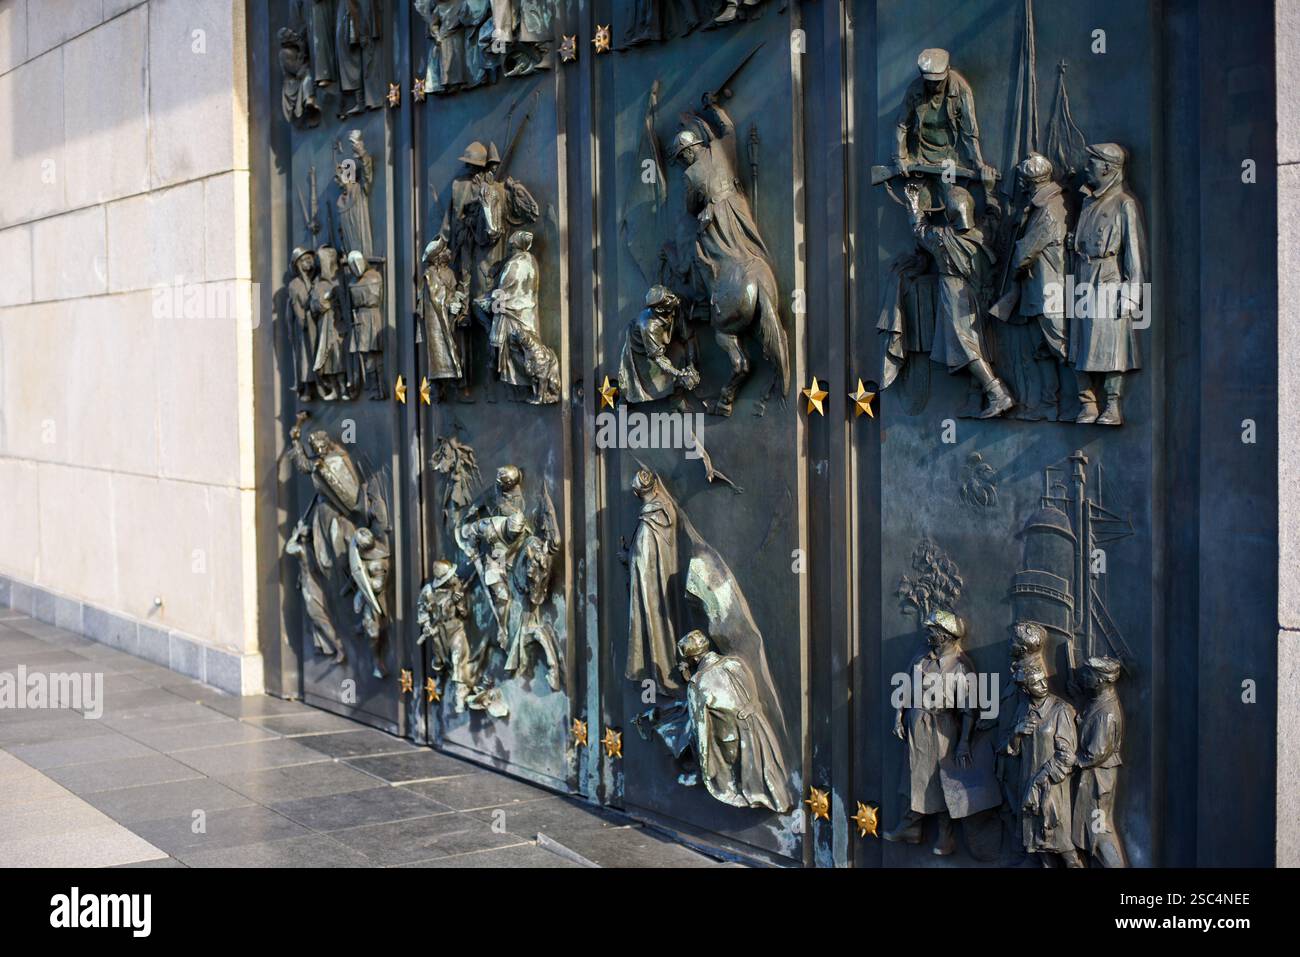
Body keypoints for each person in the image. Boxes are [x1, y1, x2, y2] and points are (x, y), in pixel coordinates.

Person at [883, 609, 1001, 855]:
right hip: (916, 725)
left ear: (946, 636)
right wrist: (898, 718)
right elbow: (904, 687)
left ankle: (945, 837)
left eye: (932, 631)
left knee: (941, 780)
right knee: (912, 776)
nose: (927, 634)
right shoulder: (921, 658)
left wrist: (964, 743)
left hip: (941, 727)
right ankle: (911, 826)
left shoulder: (959, 666)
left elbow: (969, 710)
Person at [906, 183, 1013, 417]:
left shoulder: (942, 238)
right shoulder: (985, 231)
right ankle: (975, 399)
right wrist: (989, 188)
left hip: (955, 294)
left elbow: (919, 228)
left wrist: (914, 203)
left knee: (966, 346)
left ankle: (996, 392)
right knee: (978, 344)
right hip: (980, 294)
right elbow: (995, 213)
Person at [677, 629, 794, 813]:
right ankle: (778, 801)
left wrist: (705, 770)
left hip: (729, 741)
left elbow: (699, 730)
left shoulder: (697, 683)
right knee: (765, 773)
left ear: (692, 659)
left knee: (742, 782)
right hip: (757, 728)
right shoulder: (734, 663)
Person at [1070, 142, 1144, 425]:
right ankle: (1086, 403)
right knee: (1079, 343)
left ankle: (1112, 404)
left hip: (1109, 279)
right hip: (1082, 276)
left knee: (1111, 346)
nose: (1085, 168)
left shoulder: (1124, 204)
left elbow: (1133, 254)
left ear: (1107, 168)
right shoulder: (1088, 202)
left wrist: (1131, 296)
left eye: (1091, 164)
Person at [993, 152, 1069, 420]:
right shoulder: (1041, 205)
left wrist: (1011, 273)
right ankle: (1049, 404)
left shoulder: (1048, 208)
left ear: (1031, 182)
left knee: (1060, 346)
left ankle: (1085, 401)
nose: (1021, 186)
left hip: (1050, 289)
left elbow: (1026, 251)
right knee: (1041, 349)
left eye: (1023, 181)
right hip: (1037, 289)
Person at [1005, 659, 1083, 867]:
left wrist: (1042, 778)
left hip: (1052, 787)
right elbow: (1014, 750)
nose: (1043, 685)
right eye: (1036, 683)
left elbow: (1066, 755)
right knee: (1039, 846)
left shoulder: (1061, 710)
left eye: (1043, 680)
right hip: (1027, 783)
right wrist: (1016, 733)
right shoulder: (1023, 709)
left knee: (1062, 844)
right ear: (1026, 688)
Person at [1073, 656, 1128, 867]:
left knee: (1098, 831)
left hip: (1098, 782)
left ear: (1100, 681)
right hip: (1092, 778)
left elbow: (1096, 753)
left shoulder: (1106, 713)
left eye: (1088, 674)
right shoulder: (1098, 701)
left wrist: (1073, 761)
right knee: (1090, 831)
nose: (1082, 676)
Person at [617, 285, 700, 405]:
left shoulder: (675, 304)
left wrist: (692, 366)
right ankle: (623, 401)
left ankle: (676, 399)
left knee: (682, 356)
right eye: (668, 299)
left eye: (670, 294)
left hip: (663, 343)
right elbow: (658, 358)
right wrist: (679, 374)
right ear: (660, 309)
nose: (673, 298)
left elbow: (687, 335)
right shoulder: (649, 326)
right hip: (640, 350)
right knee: (630, 381)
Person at [417, 560, 477, 712]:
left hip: (456, 628)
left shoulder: (457, 589)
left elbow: (465, 614)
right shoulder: (428, 591)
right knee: (439, 660)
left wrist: (459, 603)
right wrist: (425, 625)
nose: (455, 576)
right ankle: (439, 677)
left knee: (458, 661)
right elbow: (421, 609)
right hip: (439, 631)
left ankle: (459, 699)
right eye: (451, 575)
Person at [416, 237, 469, 400]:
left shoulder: (449, 272)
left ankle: (456, 378)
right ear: (438, 257)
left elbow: (450, 292)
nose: (449, 252)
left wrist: (457, 295)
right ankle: (440, 384)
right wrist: (450, 301)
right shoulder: (430, 274)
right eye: (444, 250)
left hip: (450, 319)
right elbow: (437, 297)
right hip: (438, 322)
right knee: (441, 350)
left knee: (454, 346)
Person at [345, 250, 385, 400]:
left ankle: (381, 388)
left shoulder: (374, 276)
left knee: (375, 355)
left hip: (372, 318)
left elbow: (374, 297)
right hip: (360, 320)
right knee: (367, 357)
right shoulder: (352, 282)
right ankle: (374, 387)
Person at [287, 247, 319, 400]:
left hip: (319, 323)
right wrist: (303, 322)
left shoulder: (317, 279)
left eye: (309, 259)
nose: (308, 262)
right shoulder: (295, 284)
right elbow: (296, 306)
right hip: (305, 325)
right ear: (298, 264)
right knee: (306, 354)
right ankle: (307, 386)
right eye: (304, 260)